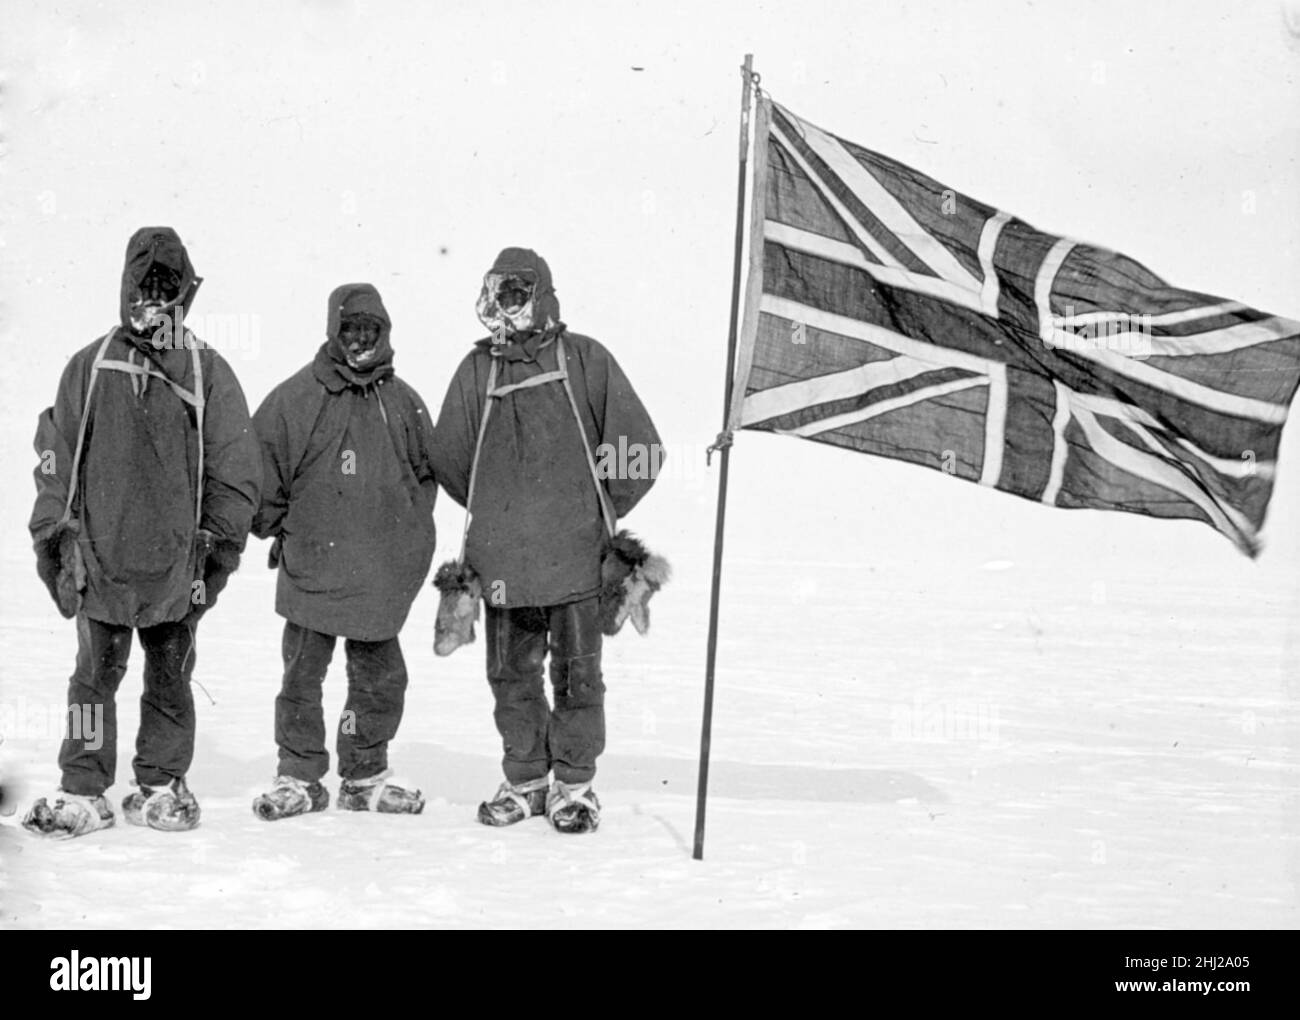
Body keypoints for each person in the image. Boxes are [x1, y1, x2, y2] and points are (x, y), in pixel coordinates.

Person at [24, 226, 261, 837]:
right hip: (100, 559)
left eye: (167, 285)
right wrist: (55, 535)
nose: (154, 297)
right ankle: (83, 788)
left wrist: (218, 549)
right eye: (145, 284)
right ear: (127, 286)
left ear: (184, 293)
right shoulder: (90, 365)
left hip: (178, 566)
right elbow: (56, 453)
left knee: (169, 677)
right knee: (91, 680)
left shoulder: (208, 370)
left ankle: (159, 783)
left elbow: (235, 469)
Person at [432, 247, 661, 834]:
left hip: (580, 562)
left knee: (577, 676)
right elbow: (450, 459)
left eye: (519, 293)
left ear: (543, 295)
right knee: (511, 675)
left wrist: (597, 508)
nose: (508, 307)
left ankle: (575, 786)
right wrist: (501, 511)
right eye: (500, 295)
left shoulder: (584, 358)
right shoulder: (477, 370)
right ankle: (527, 780)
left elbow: (638, 449)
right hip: (503, 563)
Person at [250, 283, 436, 820]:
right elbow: (262, 469)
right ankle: (299, 775)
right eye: (350, 328)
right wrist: (282, 530)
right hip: (313, 567)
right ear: (334, 330)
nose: (360, 338)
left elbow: (427, 475)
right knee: (303, 678)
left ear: (384, 333)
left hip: (378, 575)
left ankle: (364, 774)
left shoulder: (401, 402)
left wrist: (406, 532)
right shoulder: (297, 397)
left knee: (378, 681)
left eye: (370, 329)